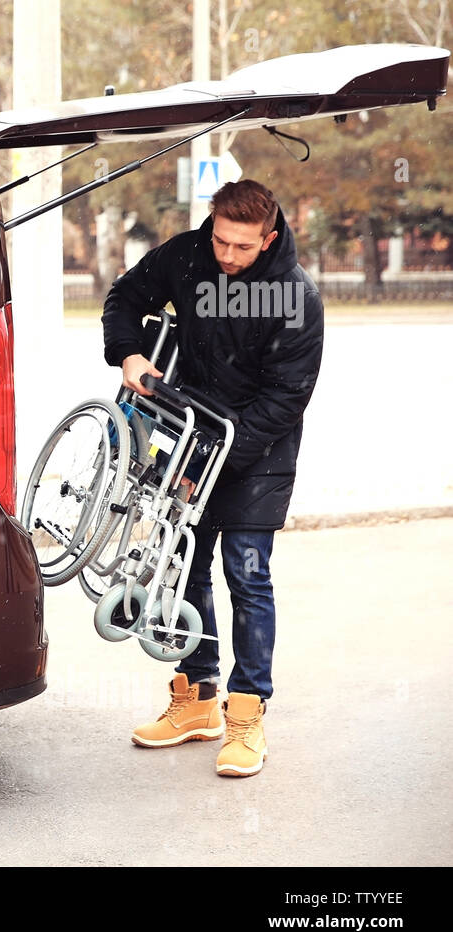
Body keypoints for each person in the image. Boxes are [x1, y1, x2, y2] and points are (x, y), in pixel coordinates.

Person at [100, 179, 324, 776]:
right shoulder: (187, 256)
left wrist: (221, 460)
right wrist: (127, 352)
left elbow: (285, 400)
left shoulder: (296, 299)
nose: (227, 256)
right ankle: (197, 699)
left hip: (259, 451)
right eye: (221, 240)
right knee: (187, 569)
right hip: (193, 439)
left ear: (269, 238)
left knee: (246, 575)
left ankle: (247, 713)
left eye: (243, 248)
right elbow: (124, 297)